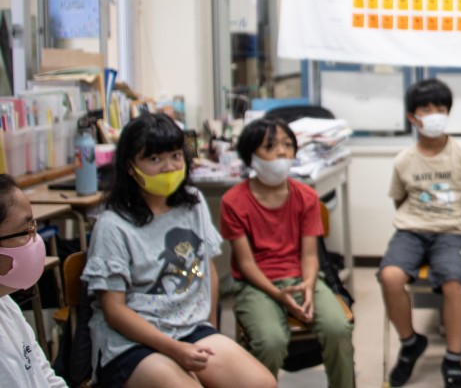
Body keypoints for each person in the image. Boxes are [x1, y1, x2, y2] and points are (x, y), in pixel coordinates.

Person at [81, 113, 275, 388]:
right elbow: (114, 310)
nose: (168, 167)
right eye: (154, 159)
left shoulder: (193, 203)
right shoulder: (112, 225)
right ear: (129, 166)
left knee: (261, 384)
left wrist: (211, 330)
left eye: (175, 155)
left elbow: (206, 270)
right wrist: (175, 351)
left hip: (191, 328)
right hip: (132, 342)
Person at [379, 79, 461, 388]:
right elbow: (399, 200)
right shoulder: (404, 159)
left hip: (452, 232)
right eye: (426, 108)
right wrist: (415, 221)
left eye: (440, 108)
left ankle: (453, 358)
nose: (434, 114)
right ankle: (410, 343)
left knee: (453, 284)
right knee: (390, 277)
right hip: (411, 230)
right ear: (412, 117)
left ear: (448, 113)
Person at [221, 117, 354, 386]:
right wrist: (277, 295)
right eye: (270, 146)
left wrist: (307, 284)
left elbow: (309, 255)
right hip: (257, 284)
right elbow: (245, 264)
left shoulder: (305, 196)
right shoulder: (233, 201)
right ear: (251, 157)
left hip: (301, 277)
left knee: (338, 328)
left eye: (287, 145)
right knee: (270, 341)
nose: (282, 152)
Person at [0, 173, 68, 387]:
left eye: (34, 228)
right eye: (25, 231)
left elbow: (46, 377)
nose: (36, 240)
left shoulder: (5, 304)